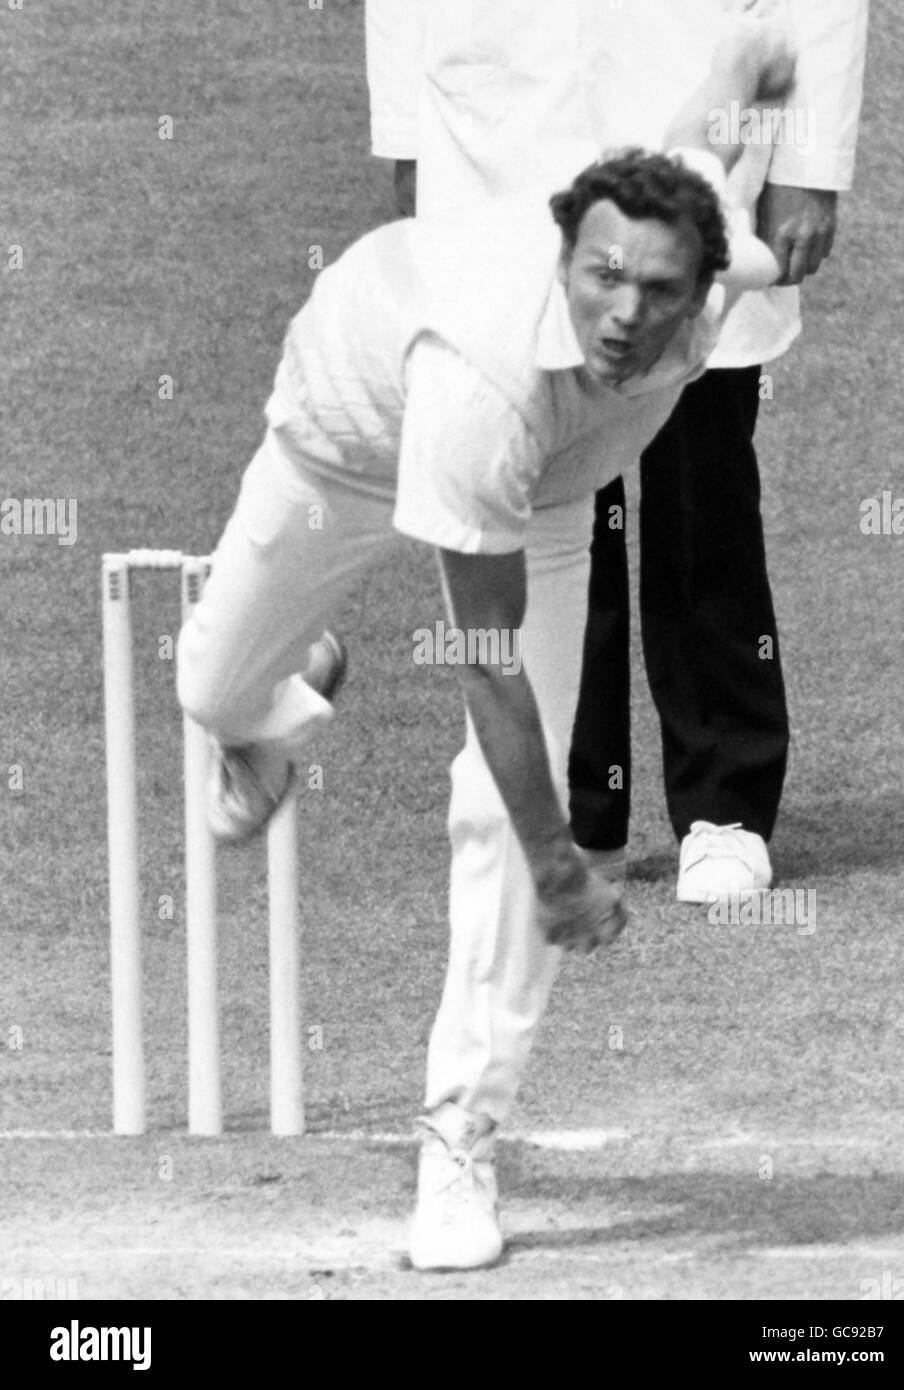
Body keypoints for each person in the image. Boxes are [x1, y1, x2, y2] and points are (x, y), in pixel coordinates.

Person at [178, 18, 791, 1270]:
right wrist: (570, 862)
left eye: (659, 292)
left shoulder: (701, 273)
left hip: (550, 506)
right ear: (565, 253)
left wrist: (745, 72)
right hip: (339, 443)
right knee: (211, 685)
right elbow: (484, 654)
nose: (627, 317)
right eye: (602, 279)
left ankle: (458, 1143)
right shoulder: (489, 366)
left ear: (700, 288)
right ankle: (282, 697)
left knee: (498, 814)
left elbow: (694, 154)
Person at [365, 0, 868, 902]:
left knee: (698, 476)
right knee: (541, 466)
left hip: (696, 78)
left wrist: (810, 155)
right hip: (500, 120)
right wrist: (405, 123)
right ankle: (565, 798)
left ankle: (725, 803)